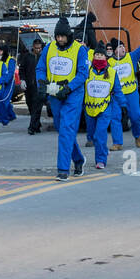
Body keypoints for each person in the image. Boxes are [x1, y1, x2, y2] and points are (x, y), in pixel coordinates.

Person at [35, 16, 88, 180]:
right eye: (57, 36)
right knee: (62, 128)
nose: (60, 39)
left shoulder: (80, 50)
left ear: (68, 36)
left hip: (73, 95)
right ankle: (78, 159)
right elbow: (40, 68)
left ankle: (63, 169)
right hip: (54, 94)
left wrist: (69, 88)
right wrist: (42, 84)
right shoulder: (49, 48)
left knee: (66, 129)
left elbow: (83, 73)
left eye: (62, 36)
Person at [108, 27, 140, 149]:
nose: (123, 48)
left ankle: (137, 136)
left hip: (131, 93)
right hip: (116, 95)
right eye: (120, 47)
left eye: (123, 46)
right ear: (115, 51)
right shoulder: (109, 62)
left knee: (136, 117)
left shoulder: (131, 57)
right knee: (115, 117)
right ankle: (117, 143)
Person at [83, 42, 122, 170]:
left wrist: (124, 103)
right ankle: (104, 151)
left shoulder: (112, 72)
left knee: (100, 134)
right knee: (93, 136)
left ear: (106, 57)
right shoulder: (87, 71)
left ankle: (100, 160)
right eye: (97, 55)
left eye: (101, 55)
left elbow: (117, 90)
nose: (99, 57)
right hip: (89, 109)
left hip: (105, 109)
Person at [21, 37, 46, 134]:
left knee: (37, 106)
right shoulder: (27, 56)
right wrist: (22, 79)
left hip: (39, 86)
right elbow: (22, 69)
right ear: (33, 47)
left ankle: (31, 127)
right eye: (36, 48)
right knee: (30, 105)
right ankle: (37, 123)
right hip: (29, 85)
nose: (38, 50)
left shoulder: (43, 57)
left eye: (39, 48)